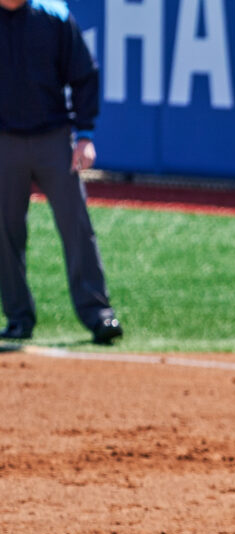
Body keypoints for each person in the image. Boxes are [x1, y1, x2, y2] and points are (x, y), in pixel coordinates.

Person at [0, 0, 123, 344]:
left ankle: (99, 315)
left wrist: (85, 134)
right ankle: (18, 318)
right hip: (4, 142)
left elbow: (84, 74)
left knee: (76, 226)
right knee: (5, 233)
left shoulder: (53, 15)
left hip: (53, 140)